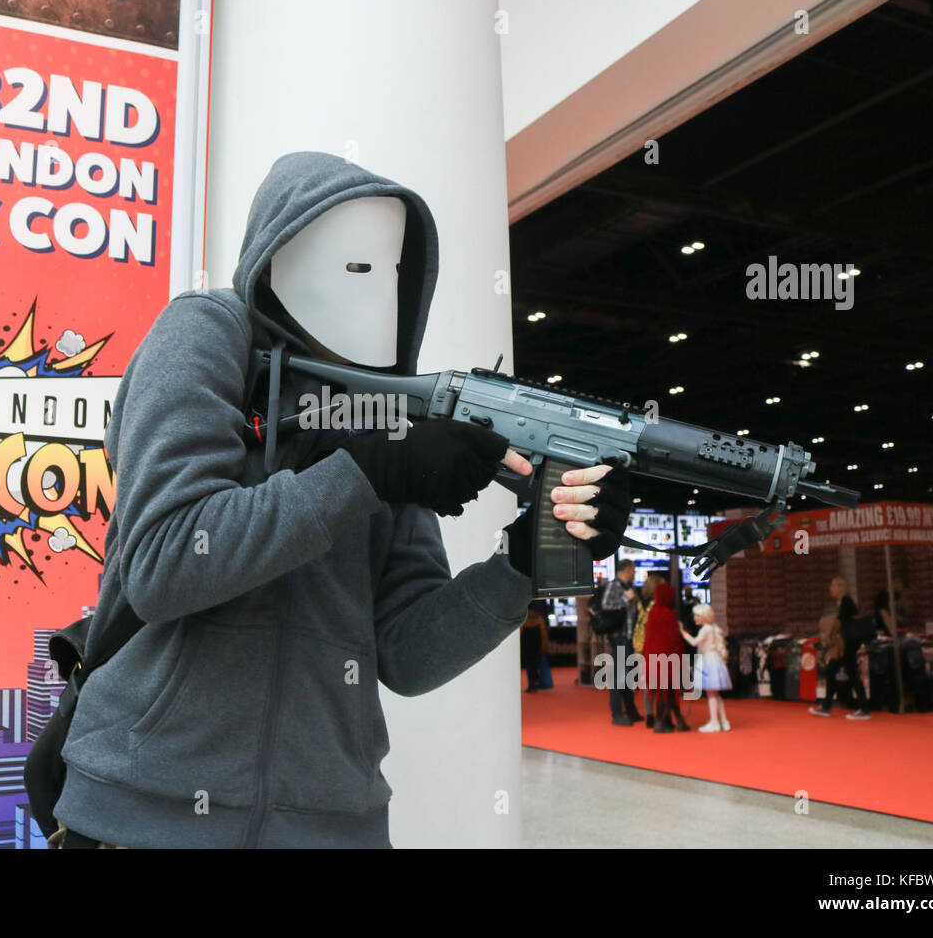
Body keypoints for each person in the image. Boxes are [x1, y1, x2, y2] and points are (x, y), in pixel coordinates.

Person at [48, 152, 631, 848]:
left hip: (335, 828)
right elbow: (165, 565)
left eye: (391, 268)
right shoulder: (208, 334)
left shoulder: (392, 411)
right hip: (143, 817)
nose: (376, 287)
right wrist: (362, 470)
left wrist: (525, 562)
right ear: (276, 257)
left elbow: (408, 654)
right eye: (353, 263)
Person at [811, 576, 871, 720]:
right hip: (845, 643)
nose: (831, 588)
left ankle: (863, 708)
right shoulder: (843, 602)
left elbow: (839, 622)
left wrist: (828, 634)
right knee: (833, 671)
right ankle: (827, 706)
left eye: (833, 585)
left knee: (849, 674)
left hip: (848, 644)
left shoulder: (845, 601)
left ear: (841, 587)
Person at [642, 581, 690, 733]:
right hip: (669, 660)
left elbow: (648, 639)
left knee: (661, 692)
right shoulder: (669, 615)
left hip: (653, 659)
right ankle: (666, 721)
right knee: (669, 692)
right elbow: (674, 640)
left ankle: (667, 721)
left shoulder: (652, 613)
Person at [601, 560, 644, 726]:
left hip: (627, 637)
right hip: (620, 637)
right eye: (633, 570)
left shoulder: (626, 586)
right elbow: (606, 605)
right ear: (626, 570)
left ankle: (630, 710)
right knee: (620, 674)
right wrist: (626, 600)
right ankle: (617, 713)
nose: (634, 573)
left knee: (627, 674)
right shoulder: (615, 586)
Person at [683, 604, 731, 732]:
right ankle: (723, 720)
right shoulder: (712, 628)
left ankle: (715, 723)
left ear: (704, 617)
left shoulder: (705, 629)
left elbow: (694, 642)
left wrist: (684, 632)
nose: (695, 618)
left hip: (708, 661)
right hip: (714, 660)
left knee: (711, 695)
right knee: (715, 694)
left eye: (697, 615)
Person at [632, 571, 662, 726]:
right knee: (660, 682)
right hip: (654, 646)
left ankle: (649, 714)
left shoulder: (639, 604)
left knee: (646, 683)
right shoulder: (657, 606)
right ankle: (660, 713)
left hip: (639, 647)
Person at [521, 602, 551, 693]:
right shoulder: (539, 619)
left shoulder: (524, 620)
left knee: (530, 666)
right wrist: (544, 646)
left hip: (527, 646)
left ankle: (532, 685)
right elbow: (543, 634)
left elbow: (520, 633)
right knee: (535, 664)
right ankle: (535, 683)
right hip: (537, 646)